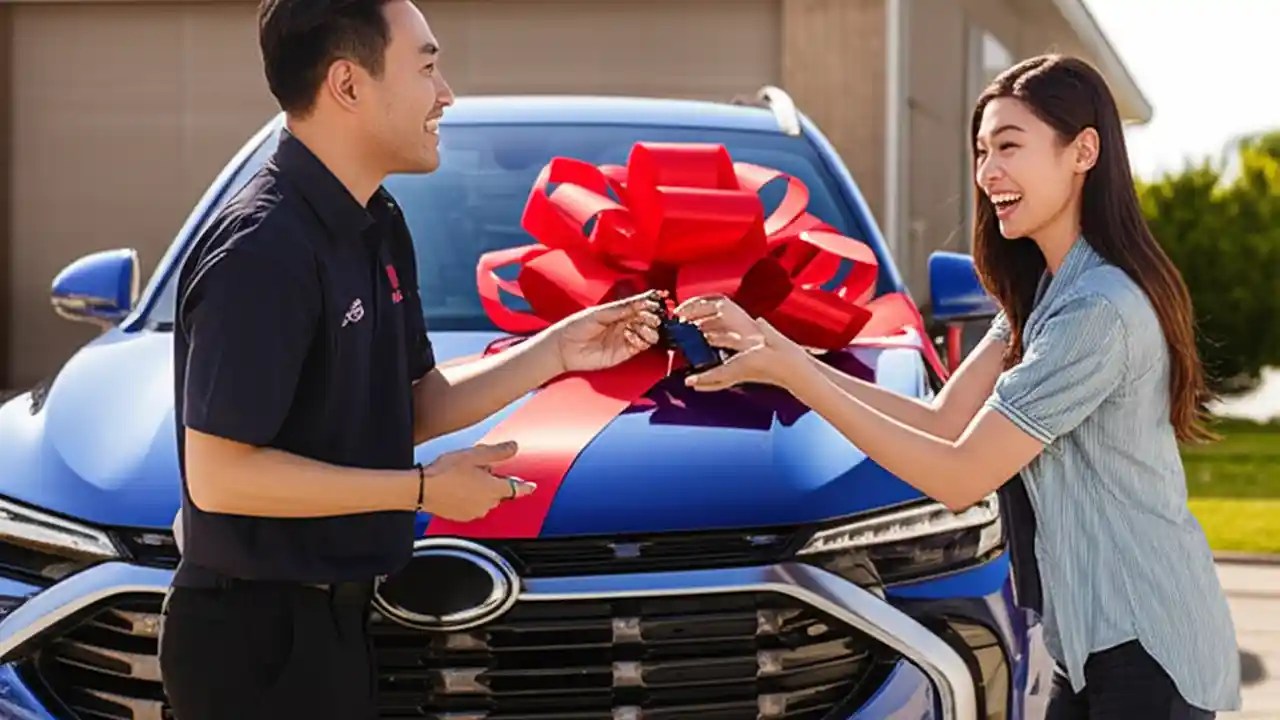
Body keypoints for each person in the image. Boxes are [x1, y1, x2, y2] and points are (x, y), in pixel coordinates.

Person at [676, 54, 1240, 719]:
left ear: (1083, 151)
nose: (987, 173)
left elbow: (960, 474)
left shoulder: (1096, 313)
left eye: (1009, 146)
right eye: (980, 151)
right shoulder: (1043, 297)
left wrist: (789, 370)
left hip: (1146, 646)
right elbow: (943, 421)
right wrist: (783, 351)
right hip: (1091, 642)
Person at [158, 1, 664, 718]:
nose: (446, 93)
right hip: (253, 646)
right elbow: (221, 476)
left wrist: (555, 350)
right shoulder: (262, 249)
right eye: (427, 66)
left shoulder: (377, 223)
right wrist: (422, 491)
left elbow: (412, 402)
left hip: (337, 630)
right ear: (347, 84)